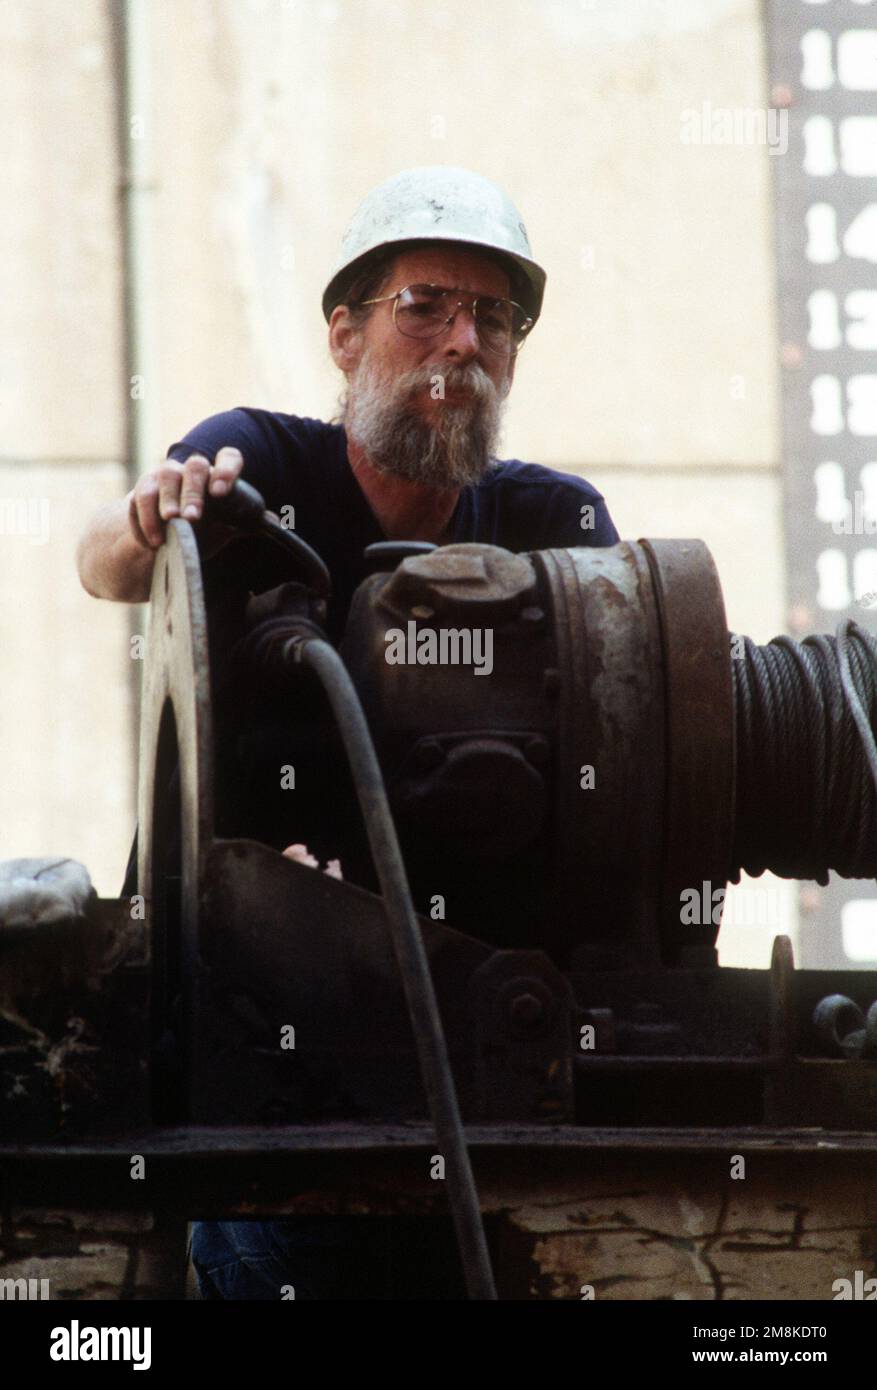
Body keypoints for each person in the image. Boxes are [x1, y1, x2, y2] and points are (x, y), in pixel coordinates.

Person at [76, 166, 620, 1298]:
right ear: (343, 333)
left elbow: (631, 732)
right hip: (246, 1068)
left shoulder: (553, 525)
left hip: (468, 1080)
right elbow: (109, 565)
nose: (461, 341)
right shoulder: (255, 467)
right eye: (425, 304)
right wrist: (147, 518)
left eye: (493, 318)